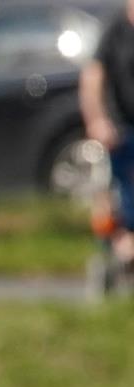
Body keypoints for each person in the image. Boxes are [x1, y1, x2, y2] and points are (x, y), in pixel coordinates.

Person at [82, 0, 134, 268]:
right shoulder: (116, 31)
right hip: (122, 131)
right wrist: (98, 120)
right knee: (117, 190)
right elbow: (93, 78)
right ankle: (120, 243)